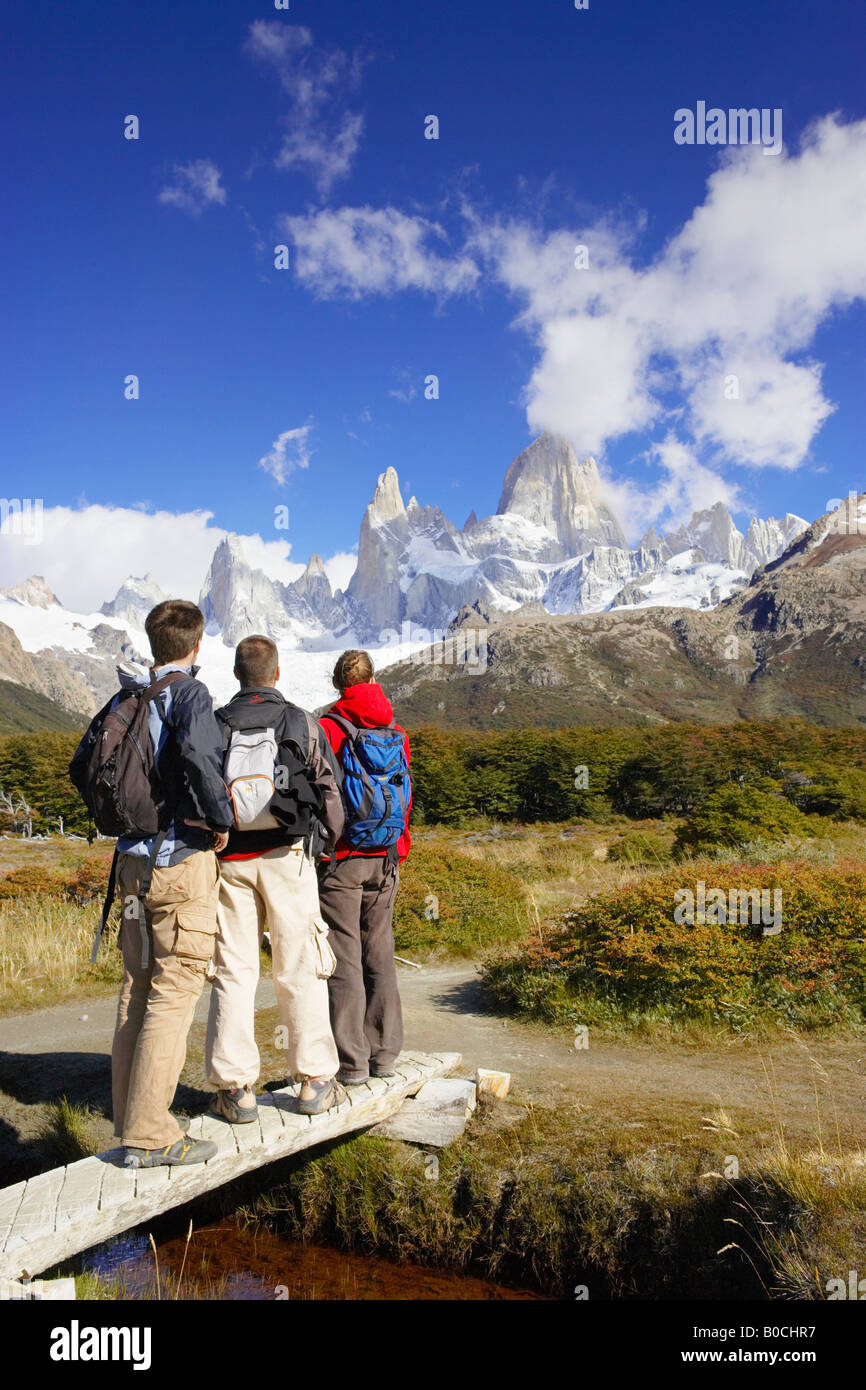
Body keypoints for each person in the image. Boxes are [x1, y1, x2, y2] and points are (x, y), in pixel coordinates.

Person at [70, 599, 233, 1168]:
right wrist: (219, 823)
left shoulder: (126, 696)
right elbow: (198, 758)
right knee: (177, 985)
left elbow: (79, 767)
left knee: (136, 987)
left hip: (131, 865)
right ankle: (152, 1133)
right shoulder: (190, 694)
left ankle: (129, 1124)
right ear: (196, 646)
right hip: (178, 860)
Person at [205, 634, 347, 1118]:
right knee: (299, 965)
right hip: (289, 855)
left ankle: (236, 1089)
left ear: (237, 675)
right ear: (278, 673)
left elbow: (199, 789)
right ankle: (313, 1081)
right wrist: (321, 846)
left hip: (229, 861)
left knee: (234, 970)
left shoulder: (217, 723)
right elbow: (330, 791)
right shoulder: (301, 721)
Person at [318, 650, 412, 1085]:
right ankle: (385, 1055)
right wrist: (398, 847)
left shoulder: (328, 728)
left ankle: (351, 1064)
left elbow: (322, 794)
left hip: (342, 859)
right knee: (380, 953)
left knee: (344, 957)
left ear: (338, 684)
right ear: (373, 679)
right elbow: (403, 796)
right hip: (385, 858)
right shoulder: (396, 730)